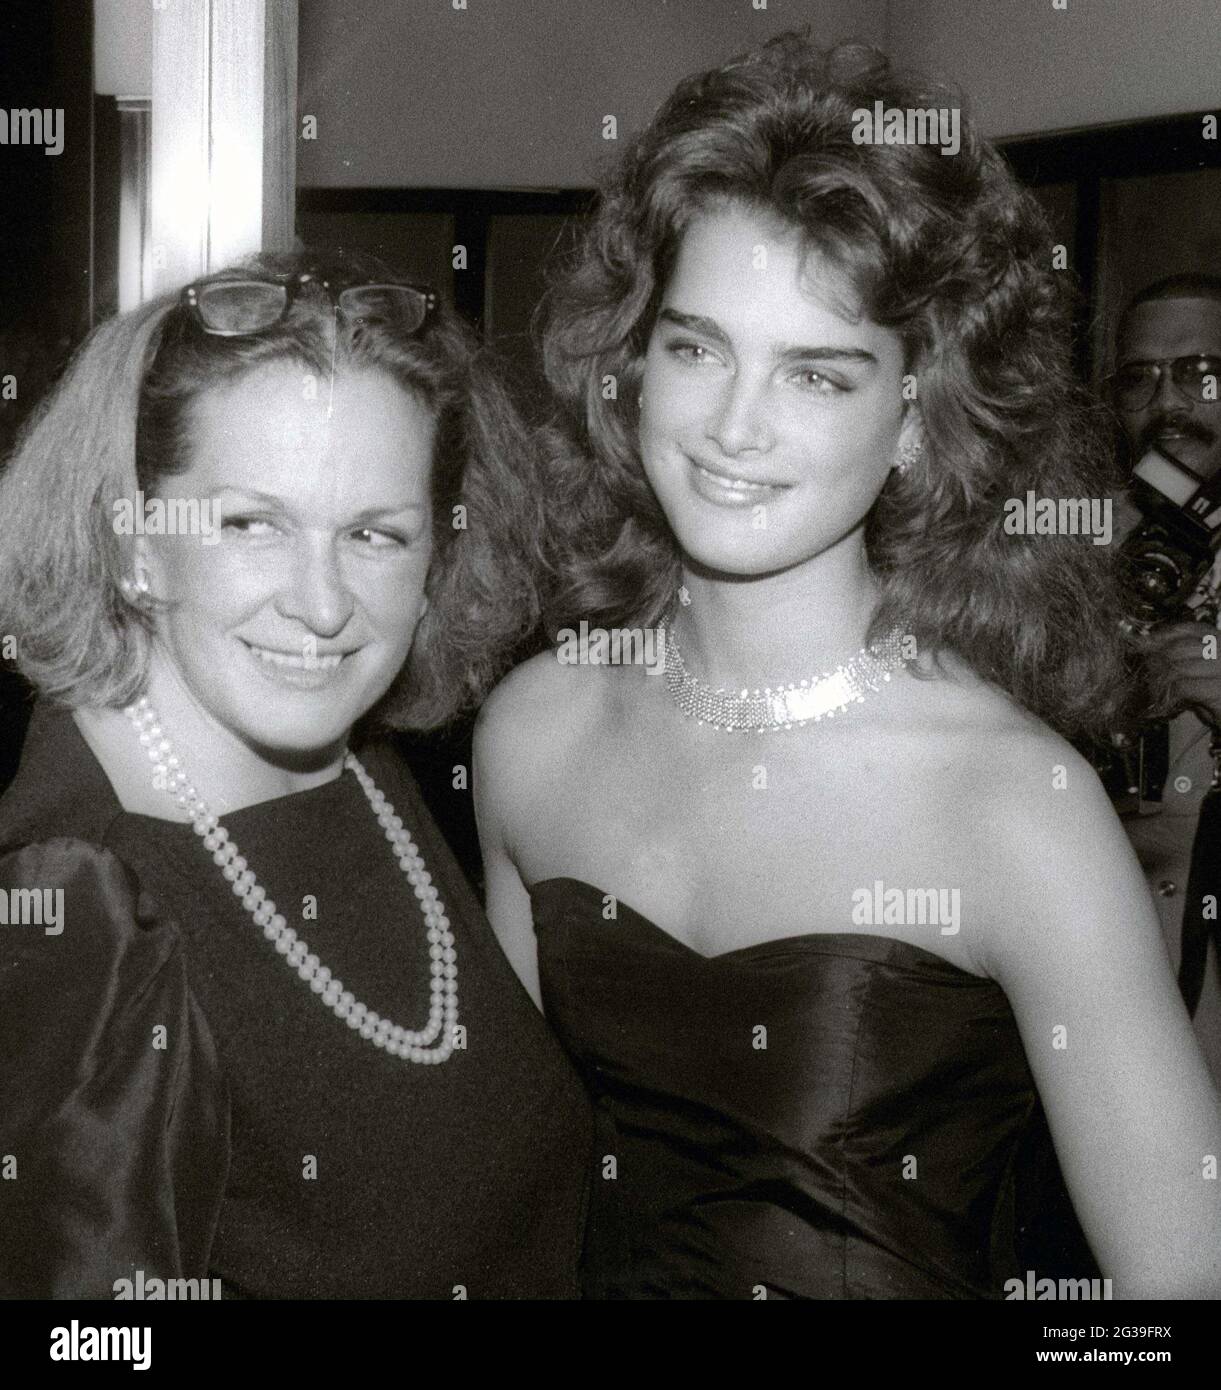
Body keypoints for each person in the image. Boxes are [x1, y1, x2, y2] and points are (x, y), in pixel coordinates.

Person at [474, 34, 1221, 1299]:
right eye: (698, 347)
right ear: (634, 361)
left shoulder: (1012, 805)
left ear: (919, 417)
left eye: (816, 374)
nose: (734, 427)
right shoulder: (534, 729)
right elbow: (511, 1197)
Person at [0, 250, 590, 1299]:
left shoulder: (349, 757)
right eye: (252, 523)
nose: (322, 607)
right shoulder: (77, 900)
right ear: (135, 539)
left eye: (373, 534)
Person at [1107, 274, 1221, 1083]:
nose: (1165, 400)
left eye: (1197, 373)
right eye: (1139, 376)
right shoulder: (1071, 552)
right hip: (1109, 980)